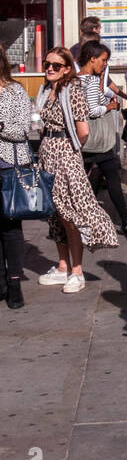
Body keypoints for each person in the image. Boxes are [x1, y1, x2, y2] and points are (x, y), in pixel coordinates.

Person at [34, 47, 118, 293]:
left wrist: (69, 152)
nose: (50, 68)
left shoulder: (74, 91)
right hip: (46, 153)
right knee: (54, 214)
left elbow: (83, 131)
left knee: (70, 214)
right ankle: (62, 267)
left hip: (65, 155)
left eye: (56, 65)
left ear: (68, 69)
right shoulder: (45, 90)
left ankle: (77, 271)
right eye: (47, 64)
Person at [76, 41, 127, 235]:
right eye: (103, 60)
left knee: (92, 179)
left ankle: (83, 219)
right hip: (98, 139)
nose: (104, 64)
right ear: (91, 58)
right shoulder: (91, 81)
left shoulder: (75, 80)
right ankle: (124, 220)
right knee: (110, 177)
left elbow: (89, 103)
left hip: (84, 139)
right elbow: (93, 110)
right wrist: (110, 106)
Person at [0, 43, 33, 308]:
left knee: (11, 226)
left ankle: (14, 282)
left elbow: (23, 129)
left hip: (9, 165)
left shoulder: (15, 91)